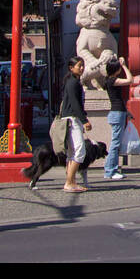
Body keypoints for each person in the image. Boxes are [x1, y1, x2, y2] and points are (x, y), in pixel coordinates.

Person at [59, 55, 92, 192]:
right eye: (79, 66)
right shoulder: (73, 83)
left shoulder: (71, 81)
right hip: (72, 119)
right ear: (71, 68)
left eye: (83, 65)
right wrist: (84, 120)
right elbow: (75, 103)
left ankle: (71, 181)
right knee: (79, 151)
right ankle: (69, 182)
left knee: (72, 152)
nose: (82, 68)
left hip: (69, 118)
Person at [101, 57, 132, 181]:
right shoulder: (112, 80)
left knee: (116, 142)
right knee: (115, 143)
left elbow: (118, 99)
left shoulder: (108, 80)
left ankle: (111, 169)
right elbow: (130, 80)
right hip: (117, 113)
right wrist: (124, 66)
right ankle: (110, 170)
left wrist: (127, 112)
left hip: (118, 112)